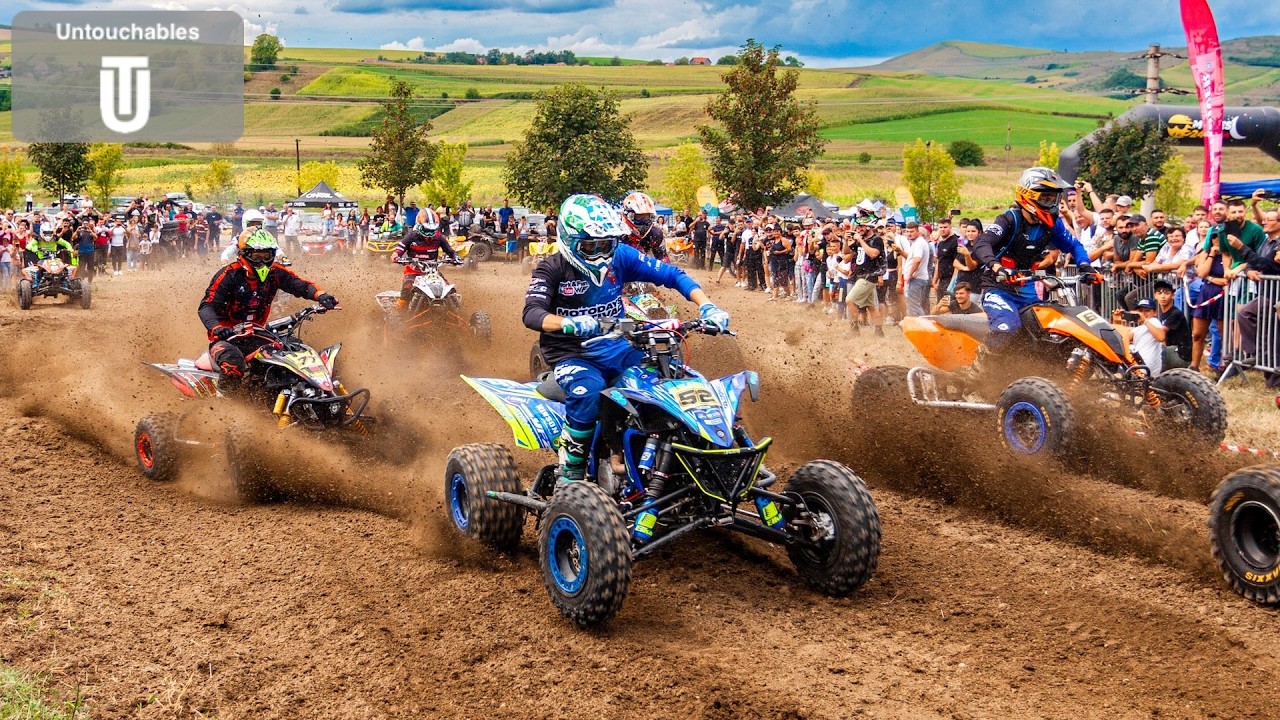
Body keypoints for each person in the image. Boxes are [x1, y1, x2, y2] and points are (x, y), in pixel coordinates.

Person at [523, 193, 729, 482]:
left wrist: (707, 305)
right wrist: (568, 323)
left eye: (606, 243)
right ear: (569, 240)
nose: (599, 252)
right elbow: (532, 313)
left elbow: (671, 274)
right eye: (590, 245)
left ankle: (655, 458)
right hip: (573, 354)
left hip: (618, 347)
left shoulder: (620, 255)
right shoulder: (552, 268)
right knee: (590, 392)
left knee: (662, 383)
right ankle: (571, 474)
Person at [971, 167, 1098, 347]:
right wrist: (997, 267)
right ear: (1028, 196)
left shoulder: (1052, 225)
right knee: (1008, 327)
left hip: (1028, 291)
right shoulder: (1009, 220)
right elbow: (981, 243)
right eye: (1046, 198)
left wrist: (1085, 265)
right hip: (998, 289)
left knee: (1046, 332)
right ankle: (982, 368)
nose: (1053, 204)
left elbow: (1074, 245)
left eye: (1054, 198)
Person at [199, 230, 338, 385]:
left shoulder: (275, 273)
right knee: (234, 363)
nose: (262, 262)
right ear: (243, 255)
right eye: (256, 257)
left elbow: (301, 286)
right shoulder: (229, 275)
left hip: (257, 333)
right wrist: (217, 328)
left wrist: (321, 295)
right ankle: (228, 404)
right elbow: (207, 306)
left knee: (296, 349)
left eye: (266, 256)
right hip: (227, 338)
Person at [390, 208, 459, 307]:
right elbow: (400, 248)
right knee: (407, 290)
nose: (429, 235)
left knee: (449, 290)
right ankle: (398, 311)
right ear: (419, 225)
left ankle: (458, 313)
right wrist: (396, 256)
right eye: (426, 230)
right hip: (414, 271)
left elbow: (449, 250)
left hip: (433, 272)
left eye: (432, 230)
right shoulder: (411, 236)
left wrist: (455, 257)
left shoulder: (438, 237)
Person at [1153, 280, 1191, 369]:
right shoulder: (1162, 315)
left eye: (1166, 293)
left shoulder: (1176, 313)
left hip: (1180, 354)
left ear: (1173, 296)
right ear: (1155, 296)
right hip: (1171, 350)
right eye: (1159, 293)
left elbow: (1160, 333)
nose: (1163, 296)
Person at [620, 191, 668, 261]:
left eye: (647, 217)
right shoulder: (618, 234)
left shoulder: (655, 233)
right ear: (627, 215)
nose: (644, 221)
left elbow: (663, 259)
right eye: (639, 217)